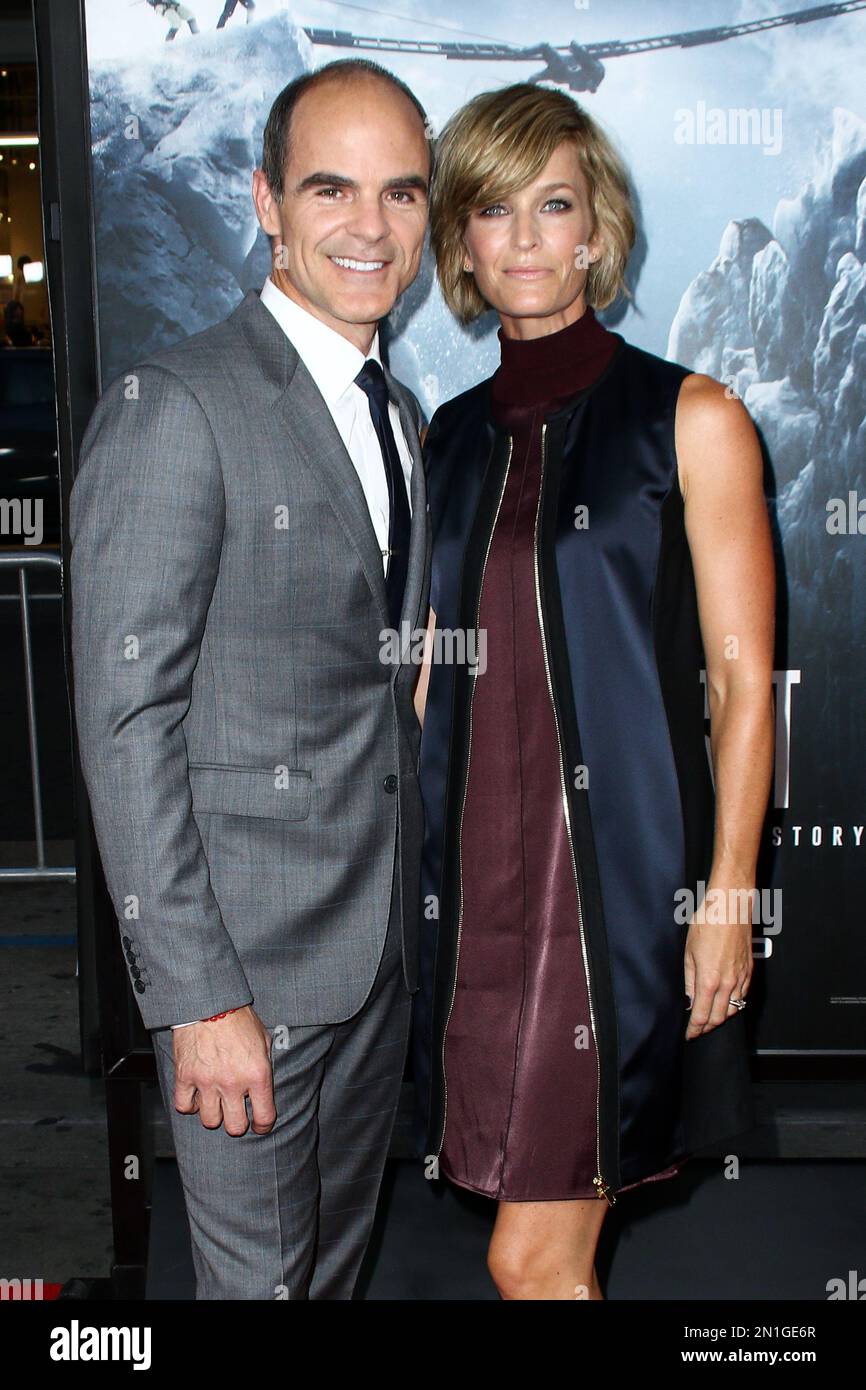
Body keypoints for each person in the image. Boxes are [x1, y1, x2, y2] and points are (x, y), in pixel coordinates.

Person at [70, 58, 432, 1300]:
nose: (370, 228)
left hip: (372, 959)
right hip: (245, 982)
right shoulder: (176, 405)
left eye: (401, 194)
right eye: (331, 189)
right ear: (266, 201)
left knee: (326, 1277)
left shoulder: (400, 415)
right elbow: (127, 722)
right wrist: (199, 996)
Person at [412, 83, 774, 1300]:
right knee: (532, 1253)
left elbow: (740, 688)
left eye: (551, 205)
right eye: (493, 209)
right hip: (477, 906)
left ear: (594, 231)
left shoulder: (689, 418)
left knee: (530, 1257)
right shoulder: (447, 440)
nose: (522, 237)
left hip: (611, 897)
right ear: (460, 238)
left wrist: (723, 898)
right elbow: (425, 682)